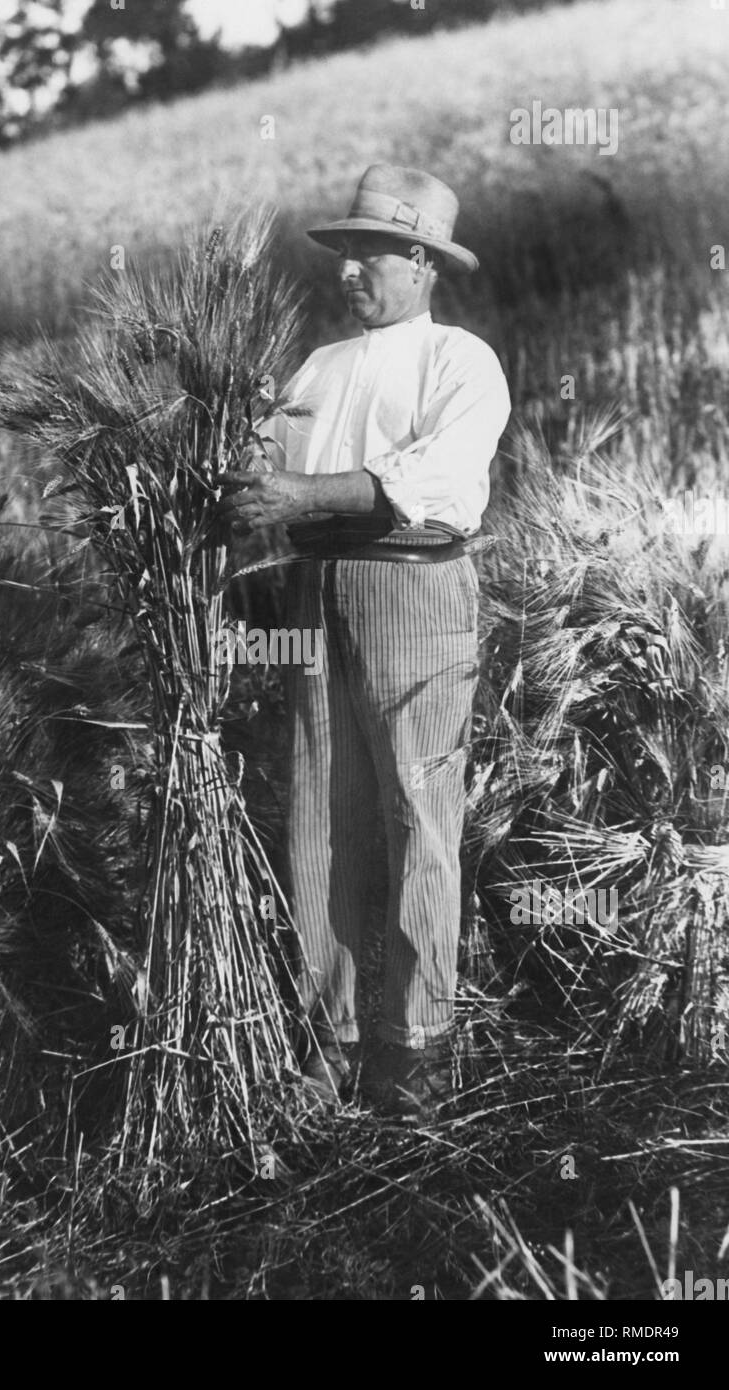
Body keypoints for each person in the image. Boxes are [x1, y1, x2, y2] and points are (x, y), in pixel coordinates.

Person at [219, 164, 511, 1122]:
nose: (351, 272)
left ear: (423, 262)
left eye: (373, 253)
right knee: (320, 814)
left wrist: (302, 496)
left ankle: (415, 1049)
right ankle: (329, 1037)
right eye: (343, 255)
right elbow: (255, 468)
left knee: (418, 814)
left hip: (413, 583)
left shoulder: (460, 360)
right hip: (313, 586)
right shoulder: (316, 370)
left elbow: (437, 478)